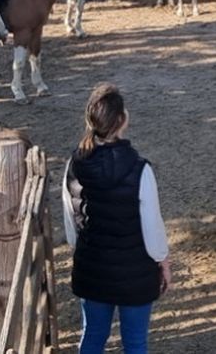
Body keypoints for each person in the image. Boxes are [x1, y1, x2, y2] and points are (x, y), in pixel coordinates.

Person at [62, 83, 171, 354]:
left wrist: (81, 251)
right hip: (135, 274)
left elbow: (70, 218)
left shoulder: (75, 164)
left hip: (93, 268)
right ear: (122, 120)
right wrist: (163, 261)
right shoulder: (140, 169)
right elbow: (152, 226)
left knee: (92, 337)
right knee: (135, 343)